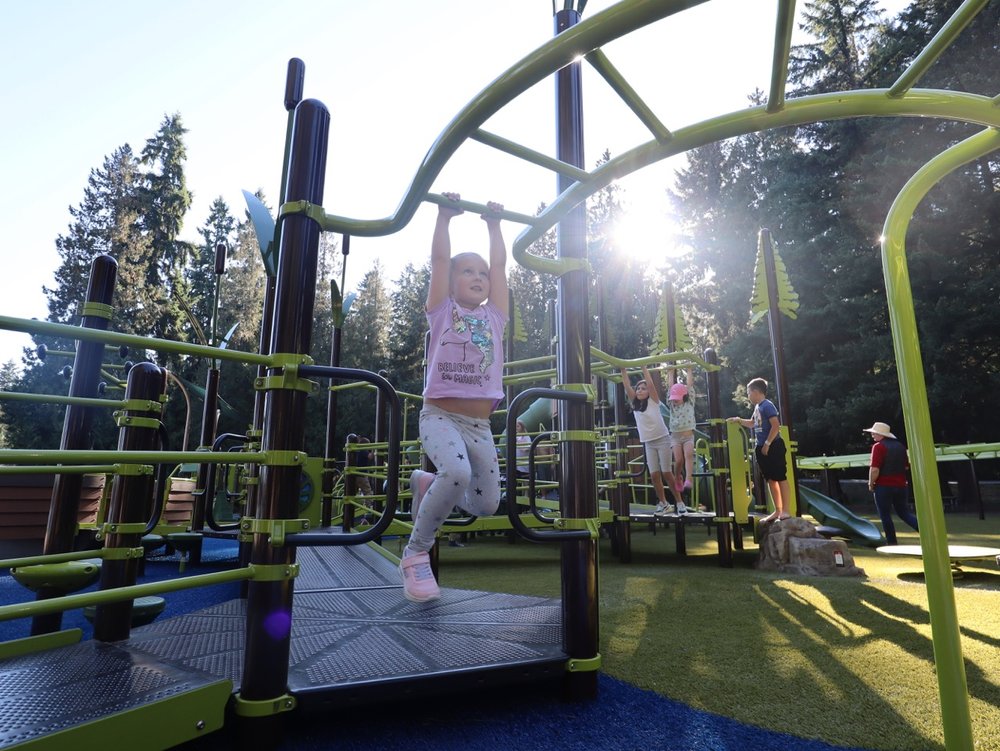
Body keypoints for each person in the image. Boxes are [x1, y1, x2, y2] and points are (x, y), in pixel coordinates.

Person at [403, 192, 508, 603]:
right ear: (450, 282)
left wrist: (494, 226)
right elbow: (439, 261)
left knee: (487, 505)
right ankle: (415, 554)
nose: (479, 277)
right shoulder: (442, 310)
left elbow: (500, 266)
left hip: (480, 426)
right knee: (458, 473)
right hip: (440, 416)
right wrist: (444, 218)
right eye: (467, 271)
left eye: (482, 273)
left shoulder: (495, 316)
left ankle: (429, 484)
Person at [620, 365, 687, 514]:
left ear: (649, 392)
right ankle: (664, 503)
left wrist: (644, 367)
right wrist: (623, 370)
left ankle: (679, 502)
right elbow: (627, 385)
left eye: (643, 389)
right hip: (648, 443)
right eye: (638, 388)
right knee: (654, 475)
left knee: (666, 473)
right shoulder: (635, 404)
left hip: (663, 440)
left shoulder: (653, 401)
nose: (639, 390)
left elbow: (650, 384)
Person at [727, 377, 790, 523]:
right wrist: (739, 420)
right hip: (761, 447)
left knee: (780, 477)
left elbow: (776, 425)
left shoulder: (767, 405)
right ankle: (777, 510)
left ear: (756, 392)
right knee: (771, 480)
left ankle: (786, 510)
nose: (748, 396)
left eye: (749, 392)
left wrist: (767, 443)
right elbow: (752, 423)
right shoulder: (757, 408)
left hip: (773, 445)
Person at [863, 421, 918, 545]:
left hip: (883, 486)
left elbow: (875, 469)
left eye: (874, 433)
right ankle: (925, 532)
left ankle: (892, 542)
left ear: (881, 434)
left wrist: (871, 483)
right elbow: (906, 467)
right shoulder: (900, 446)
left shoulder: (878, 447)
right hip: (901, 486)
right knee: (904, 513)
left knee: (885, 515)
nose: (872, 435)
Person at [666, 366, 697, 497]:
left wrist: (689, 370)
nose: (675, 400)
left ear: (684, 396)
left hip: (688, 436)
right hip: (675, 438)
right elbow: (670, 387)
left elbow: (689, 385)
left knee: (689, 455)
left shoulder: (689, 402)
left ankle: (689, 479)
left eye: (677, 398)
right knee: (678, 460)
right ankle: (678, 476)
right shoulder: (671, 405)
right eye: (673, 398)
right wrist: (670, 373)